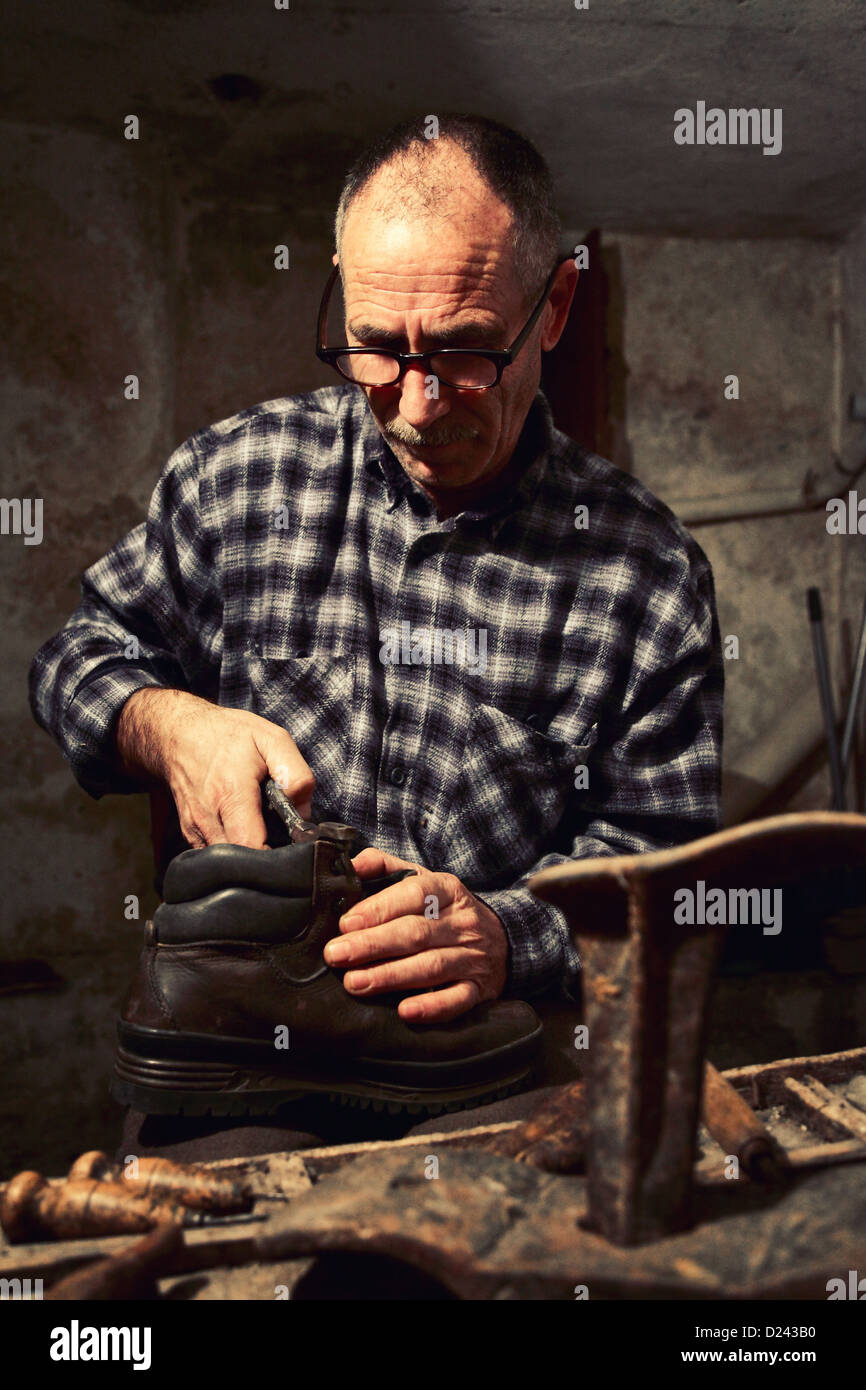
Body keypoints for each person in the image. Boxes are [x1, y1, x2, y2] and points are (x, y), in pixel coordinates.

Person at [30, 113, 723, 1051]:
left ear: (554, 307)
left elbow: (667, 873)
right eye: (376, 346)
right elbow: (76, 659)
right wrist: (168, 724)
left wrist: (507, 936)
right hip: (238, 1043)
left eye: (464, 350)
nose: (416, 403)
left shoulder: (650, 575)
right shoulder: (236, 478)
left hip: (484, 1054)